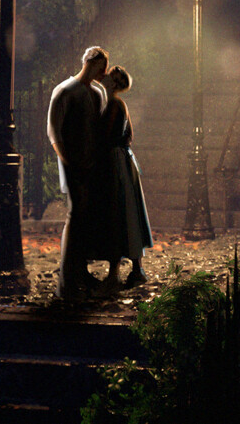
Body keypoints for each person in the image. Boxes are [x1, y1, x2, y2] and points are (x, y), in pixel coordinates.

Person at [47, 46, 112, 298]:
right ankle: (66, 281)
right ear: (92, 63)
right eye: (102, 66)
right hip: (74, 164)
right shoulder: (64, 91)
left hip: (93, 164)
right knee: (75, 217)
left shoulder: (98, 92)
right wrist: (68, 162)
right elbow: (54, 132)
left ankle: (80, 271)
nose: (104, 72)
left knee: (86, 219)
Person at [98, 65, 154, 288]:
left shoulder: (112, 104)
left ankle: (114, 273)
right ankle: (136, 268)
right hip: (124, 159)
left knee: (117, 212)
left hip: (114, 162)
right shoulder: (120, 104)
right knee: (129, 211)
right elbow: (129, 135)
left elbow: (106, 135)